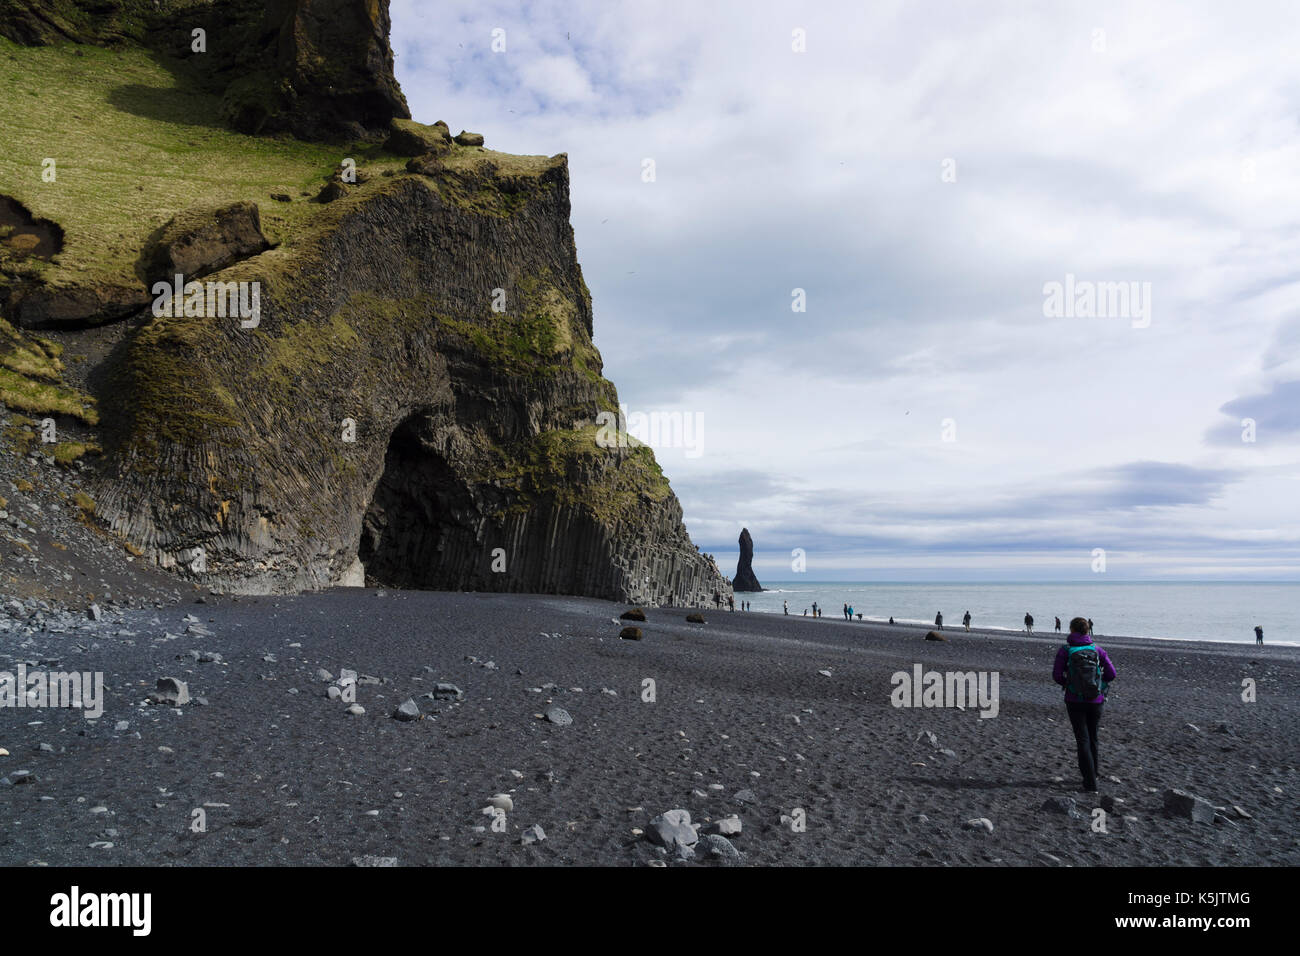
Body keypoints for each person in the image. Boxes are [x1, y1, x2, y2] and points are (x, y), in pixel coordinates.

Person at [1052, 616, 1118, 793]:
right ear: (1087, 630)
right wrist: (1099, 685)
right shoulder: (1097, 650)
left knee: (1082, 739)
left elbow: (1057, 675)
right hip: (1096, 700)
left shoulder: (1066, 650)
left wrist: (1069, 684)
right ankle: (1094, 774)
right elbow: (1112, 674)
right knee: (1093, 736)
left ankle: (1089, 782)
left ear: (1072, 630)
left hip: (1074, 700)